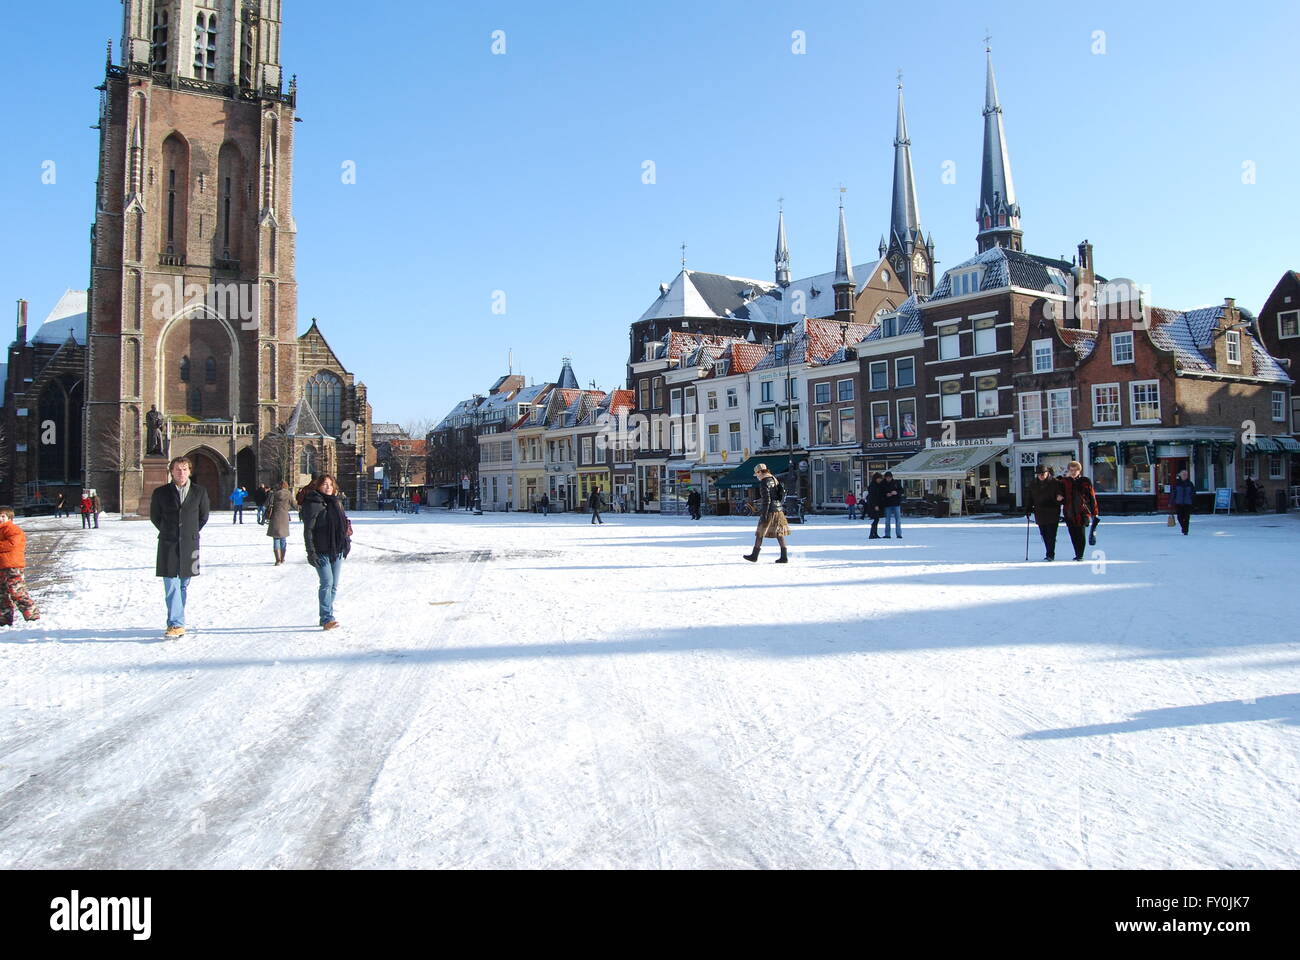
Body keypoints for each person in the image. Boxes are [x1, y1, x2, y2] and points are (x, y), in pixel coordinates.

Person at [150, 456, 210, 639]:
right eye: (177, 469)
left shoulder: (200, 492)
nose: (181, 473)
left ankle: (176, 620)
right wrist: (170, 531)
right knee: (171, 584)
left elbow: (203, 516)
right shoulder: (161, 492)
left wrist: (189, 532)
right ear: (171, 472)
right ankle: (176, 624)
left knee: (183, 584)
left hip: (190, 544)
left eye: (184, 469)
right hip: (168, 543)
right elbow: (155, 517)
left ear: (190, 471)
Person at [300, 474, 351, 630]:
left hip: (337, 549)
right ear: (318, 486)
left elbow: (343, 524)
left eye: (330, 484)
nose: (328, 487)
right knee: (327, 583)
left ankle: (328, 612)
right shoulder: (313, 503)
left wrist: (346, 543)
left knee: (334, 585)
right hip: (321, 550)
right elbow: (308, 530)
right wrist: (311, 552)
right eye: (325, 484)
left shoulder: (336, 502)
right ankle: (326, 617)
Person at [0, 506, 41, 627]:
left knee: (16, 591)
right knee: (2, 594)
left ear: (10, 518)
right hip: (1, 566)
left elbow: (12, 544)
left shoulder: (12, 529)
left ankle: (32, 614)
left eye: (3, 516)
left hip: (13, 566)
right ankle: (4, 619)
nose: (0, 519)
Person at [743, 463, 790, 563]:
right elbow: (778, 495)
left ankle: (754, 556)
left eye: (757, 474)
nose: (757, 477)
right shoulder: (773, 479)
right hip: (778, 510)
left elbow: (766, 500)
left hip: (769, 511)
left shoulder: (764, 482)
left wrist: (764, 514)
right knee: (779, 533)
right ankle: (784, 556)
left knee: (760, 533)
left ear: (760, 472)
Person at [1058, 460, 1099, 561]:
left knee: (1080, 534)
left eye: (1075, 470)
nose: (1073, 472)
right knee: (1073, 534)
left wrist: (1095, 512)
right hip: (1069, 511)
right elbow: (1060, 495)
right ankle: (1077, 553)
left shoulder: (1085, 481)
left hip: (1082, 512)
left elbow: (1092, 497)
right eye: (1071, 470)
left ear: (1079, 470)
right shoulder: (1065, 481)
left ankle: (1080, 555)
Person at [1025, 464, 1065, 561]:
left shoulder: (1056, 482)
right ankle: (1048, 552)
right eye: (1039, 474)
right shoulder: (1033, 484)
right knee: (1044, 534)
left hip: (1052, 511)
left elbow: (1062, 495)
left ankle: (1050, 554)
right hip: (1040, 512)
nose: (1041, 476)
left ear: (1048, 473)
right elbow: (1030, 498)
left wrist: (1059, 498)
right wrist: (1028, 509)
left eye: (1043, 473)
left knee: (1051, 534)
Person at [265, 480, 293, 565]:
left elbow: (267, 504)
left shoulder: (274, 494)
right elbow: (294, 504)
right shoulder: (288, 494)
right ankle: (282, 558)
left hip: (275, 517)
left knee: (276, 538)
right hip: (284, 518)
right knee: (283, 538)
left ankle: (277, 560)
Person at [1170, 469, 1195, 535]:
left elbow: (1193, 493)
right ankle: (1183, 528)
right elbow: (1173, 493)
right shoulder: (1176, 484)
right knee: (1179, 517)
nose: (1184, 475)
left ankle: (1186, 530)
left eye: (1186, 474)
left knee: (1187, 518)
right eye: (1183, 474)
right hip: (1179, 503)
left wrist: (1192, 500)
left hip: (1188, 503)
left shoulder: (1190, 483)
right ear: (1180, 475)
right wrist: (1171, 502)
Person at [881, 471, 903, 539]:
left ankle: (898, 534)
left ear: (891, 477)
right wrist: (886, 495)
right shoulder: (883, 484)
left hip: (896, 503)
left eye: (889, 477)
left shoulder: (896, 483)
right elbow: (881, 493)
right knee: (887, 520)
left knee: (898, 520)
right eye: (887, 478)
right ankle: (887, 534)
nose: (888, 479)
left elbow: (902, 490)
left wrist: (896, 492)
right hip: (887, 504)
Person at [865, 473, 885, 539]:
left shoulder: (877, 485)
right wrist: (875, 505)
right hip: (873, 505)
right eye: (879, 479)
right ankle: (872, 534)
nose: (880, 480)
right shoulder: (873, 486)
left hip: (875, 504)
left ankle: (875, 533)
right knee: (876, 519)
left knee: (877, 519)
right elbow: (873, 497)